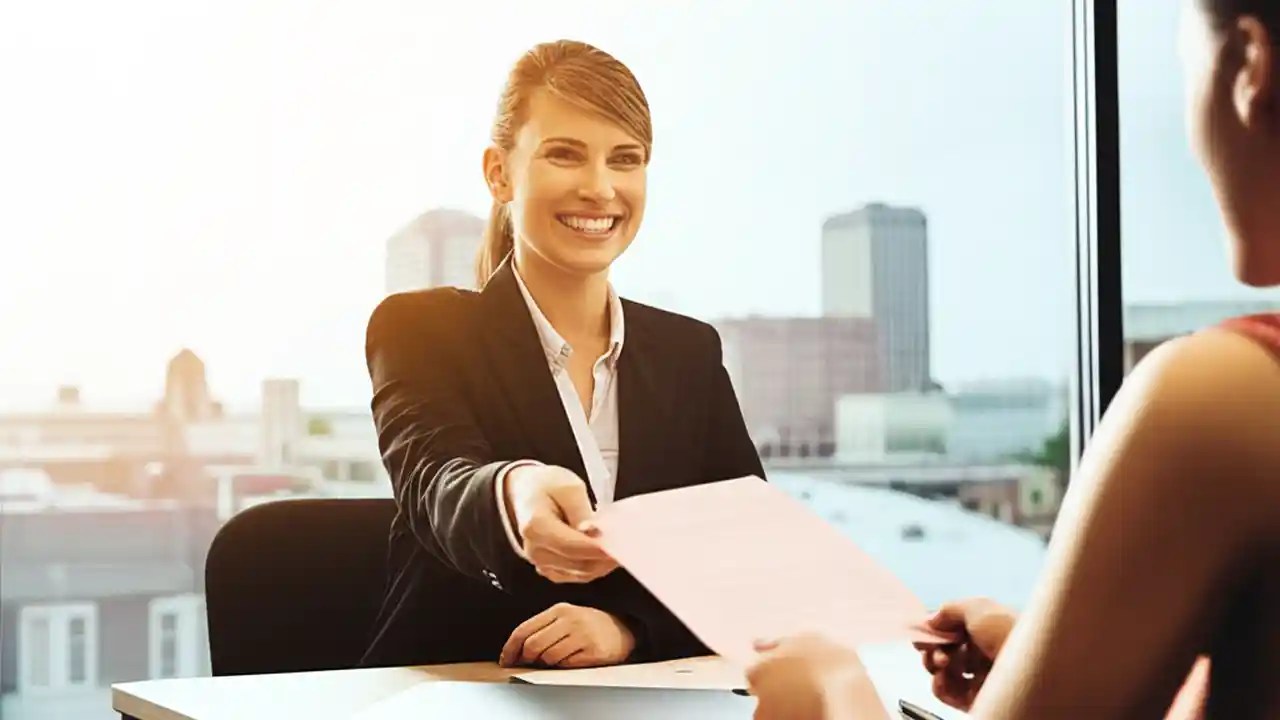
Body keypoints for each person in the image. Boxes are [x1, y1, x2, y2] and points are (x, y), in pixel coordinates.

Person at [745, 0, 1280, 716]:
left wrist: (835, 692)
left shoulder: (1225, 393)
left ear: (1249, 67)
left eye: (1188, 67)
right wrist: (1061, 662)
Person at [359, 39, 764, 671]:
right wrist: (515, 492)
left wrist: (630, 630)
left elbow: (744, 557)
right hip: (459, 694)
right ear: (499, 173)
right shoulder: (420, 329)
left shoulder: (690, 353)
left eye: (625, 160)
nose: (600, 189)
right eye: (564, 155)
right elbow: (438, 480)